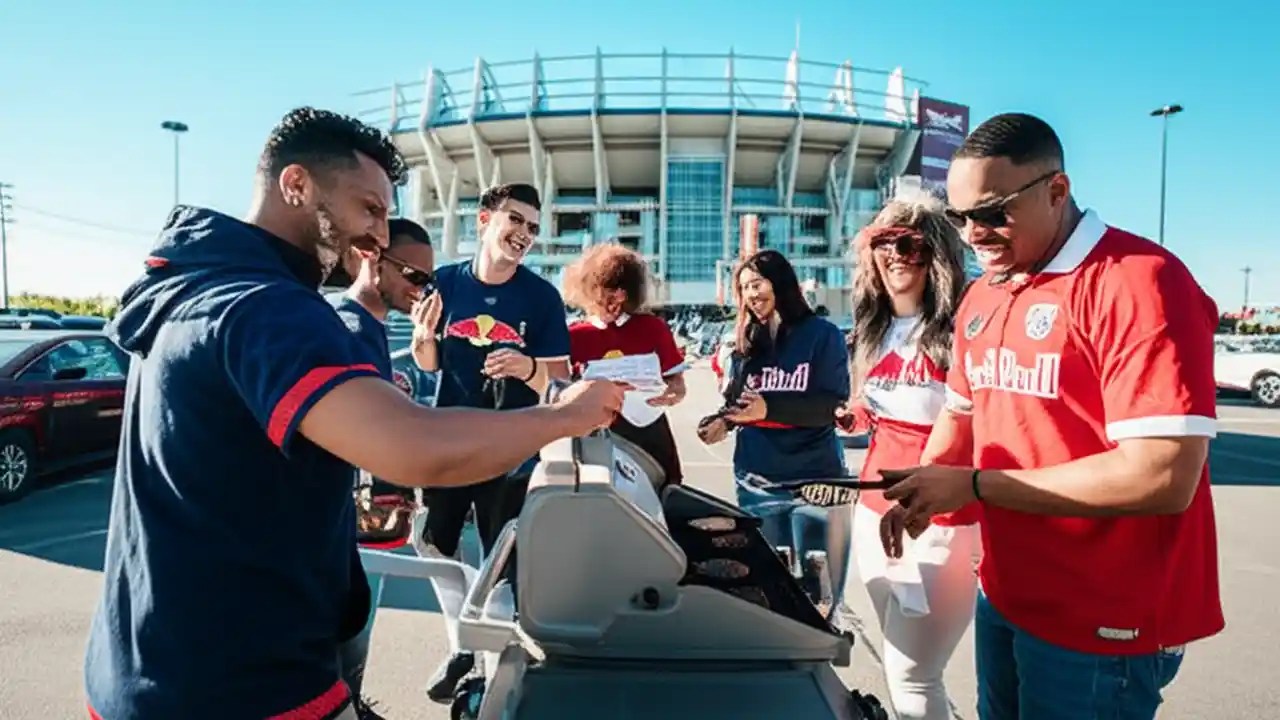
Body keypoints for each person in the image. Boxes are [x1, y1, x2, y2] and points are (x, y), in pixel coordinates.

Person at [83, 107, 624, 720]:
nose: (377, 235)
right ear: (297, 186)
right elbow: (413, 444)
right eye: (368, 209)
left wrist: (366, 301)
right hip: (239, 685)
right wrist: (565, 417)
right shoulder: (264, 309)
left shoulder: (200, 285)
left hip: (139, 667)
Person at [880, 112, 1223, 720]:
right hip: (1008, 596)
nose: (974, 234)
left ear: (1056, 191)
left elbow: (1164, 476)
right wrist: (922, 491)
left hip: (1104, 619)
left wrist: (977, 486)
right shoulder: (985, 293)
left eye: (992, 212)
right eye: (959, 219)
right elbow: (962, 417)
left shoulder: (1141, 282)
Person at [408, 181, 571, 701]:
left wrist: (527, 367)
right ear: (484, 221)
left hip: (510, 448)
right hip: (449, 438)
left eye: (532, 227)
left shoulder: (541, 297)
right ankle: (462, 647)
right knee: (434, 544)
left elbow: (560, 384)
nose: (524, 234)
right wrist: (422, 341)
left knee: (501, 563)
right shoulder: (445, 284)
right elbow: (429, 364)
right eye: (515, 220)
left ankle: (490, 677)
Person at [837, 191, 978, 720]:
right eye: (882, 242)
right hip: (874, 512)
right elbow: (873, 408)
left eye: (911, 243)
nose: (895, 254)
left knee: (913, 675)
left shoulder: (963, 330)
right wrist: (853, 416)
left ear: (937, 253)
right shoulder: (871, 331)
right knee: (903, 675)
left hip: (941, 518)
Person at [697, 249, 851, 608]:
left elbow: (830, 405)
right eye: (744, 288)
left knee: (820, 594)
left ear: (780, 282)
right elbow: (740, 404)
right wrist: (722, 422)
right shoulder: (745, 344)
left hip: (816, 482)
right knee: (770, 589)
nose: (751, 294)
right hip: (757, 482)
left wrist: (771, 407)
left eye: (757, 283)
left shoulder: (822, 335)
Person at [328, 216, 435, 718]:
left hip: (369, 525)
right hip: (340, 527)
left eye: (429, 280)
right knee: (341, 637)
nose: (423, 289)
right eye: (414, 276)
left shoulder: (373, 328)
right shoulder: (345, 327)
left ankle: (352, 696)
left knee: (356, 629)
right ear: (372, 259)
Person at [564, 243, 687, 487]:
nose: (612, 307)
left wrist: (674, 393)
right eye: (605, 299)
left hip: (649, 429)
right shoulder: (575, 335)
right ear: (589, 292)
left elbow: (677, 382)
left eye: (619, 299)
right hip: (597, 434)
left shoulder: (653, 328)